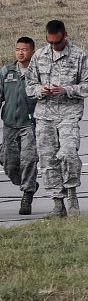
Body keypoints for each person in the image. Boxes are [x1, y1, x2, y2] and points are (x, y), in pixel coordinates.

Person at [26, 20, 88, 219]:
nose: (54, 46)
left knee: (68, 154)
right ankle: (57, 204)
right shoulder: (39, 56)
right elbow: (29, 87)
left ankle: (72, 196)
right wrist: (41, 90)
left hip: (68, 115)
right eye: (50, 42)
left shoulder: (78, 55)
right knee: (48, 160)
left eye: (57, 42)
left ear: (65, 35)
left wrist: (67, 90)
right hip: (44, 116)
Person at [0, 38, 38, 215]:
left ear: (32, 52)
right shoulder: (6, 72)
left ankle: (27, 194)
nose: (20, 52)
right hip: (9, 124)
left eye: (24, 49)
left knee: (29, 159)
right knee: (9, 164)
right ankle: (27, 182)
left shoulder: (37, 73)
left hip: (29, 124)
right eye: (17, 49)